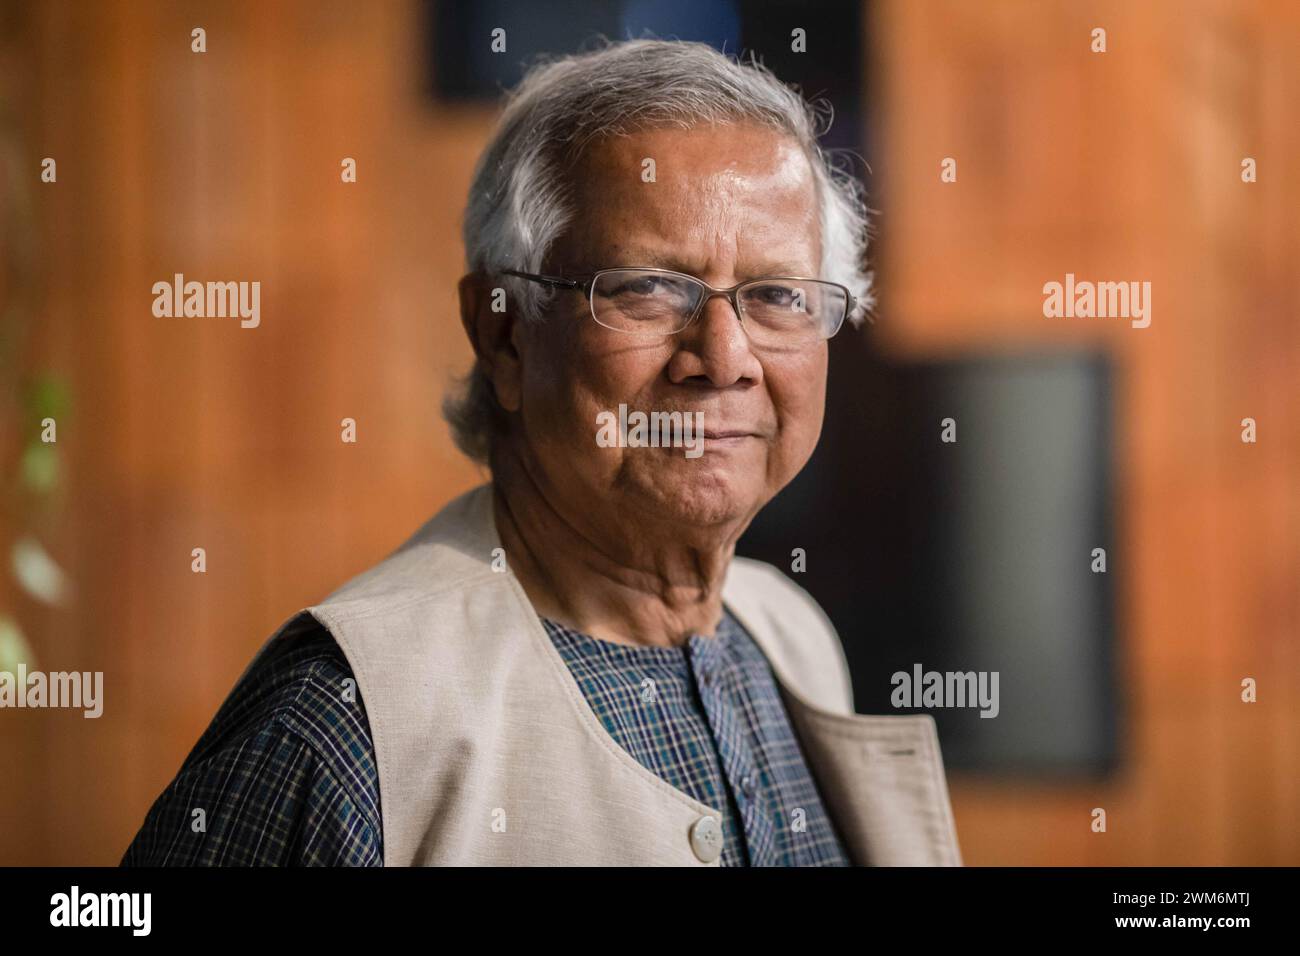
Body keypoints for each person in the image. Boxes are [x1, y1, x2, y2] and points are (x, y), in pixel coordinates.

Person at [123, 38, 961, 867]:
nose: (726, 357)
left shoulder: (788, 636)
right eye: (647, 288)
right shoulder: (344, 721)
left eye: (777, 295)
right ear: (504, 335)